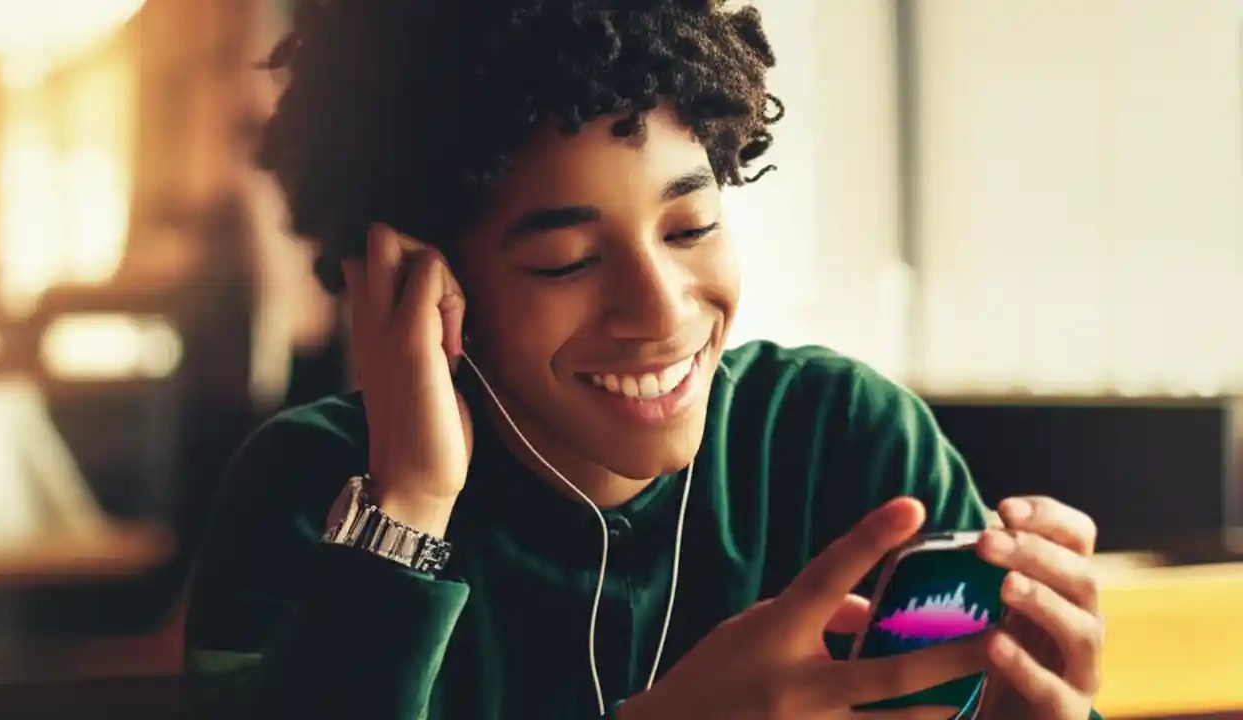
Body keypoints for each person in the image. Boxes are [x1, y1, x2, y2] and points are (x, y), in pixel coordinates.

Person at [182, 1, 1106, 718]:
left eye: (691, 226)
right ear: (419, 277)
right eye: (566, 262)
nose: (662, 309)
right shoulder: (308, 491)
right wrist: (409, 505)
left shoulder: (839, 438)